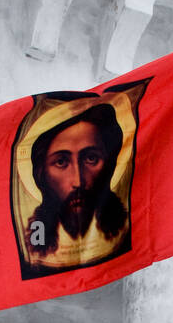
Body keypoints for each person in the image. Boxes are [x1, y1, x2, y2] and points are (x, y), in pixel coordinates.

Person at [26, 104, 129, 270]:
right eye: (61, 162)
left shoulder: (127, 229)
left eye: (91, 159)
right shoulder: (35, 245)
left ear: (109, 166)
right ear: (41, 174)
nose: (78, 182)